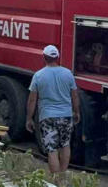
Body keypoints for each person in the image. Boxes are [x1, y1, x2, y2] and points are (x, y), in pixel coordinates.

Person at [26, 45, 80, 175]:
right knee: (65, 145)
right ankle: (62, 175)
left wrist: (29, 118)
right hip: (66, 116)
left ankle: (56, 180)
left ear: (44, 58)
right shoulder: (68, 74)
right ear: (57, 57)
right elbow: (74, 96)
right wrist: (76, 112)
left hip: (47, 117)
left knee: (52, 149)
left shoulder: (38, 76)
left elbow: (32, 100)